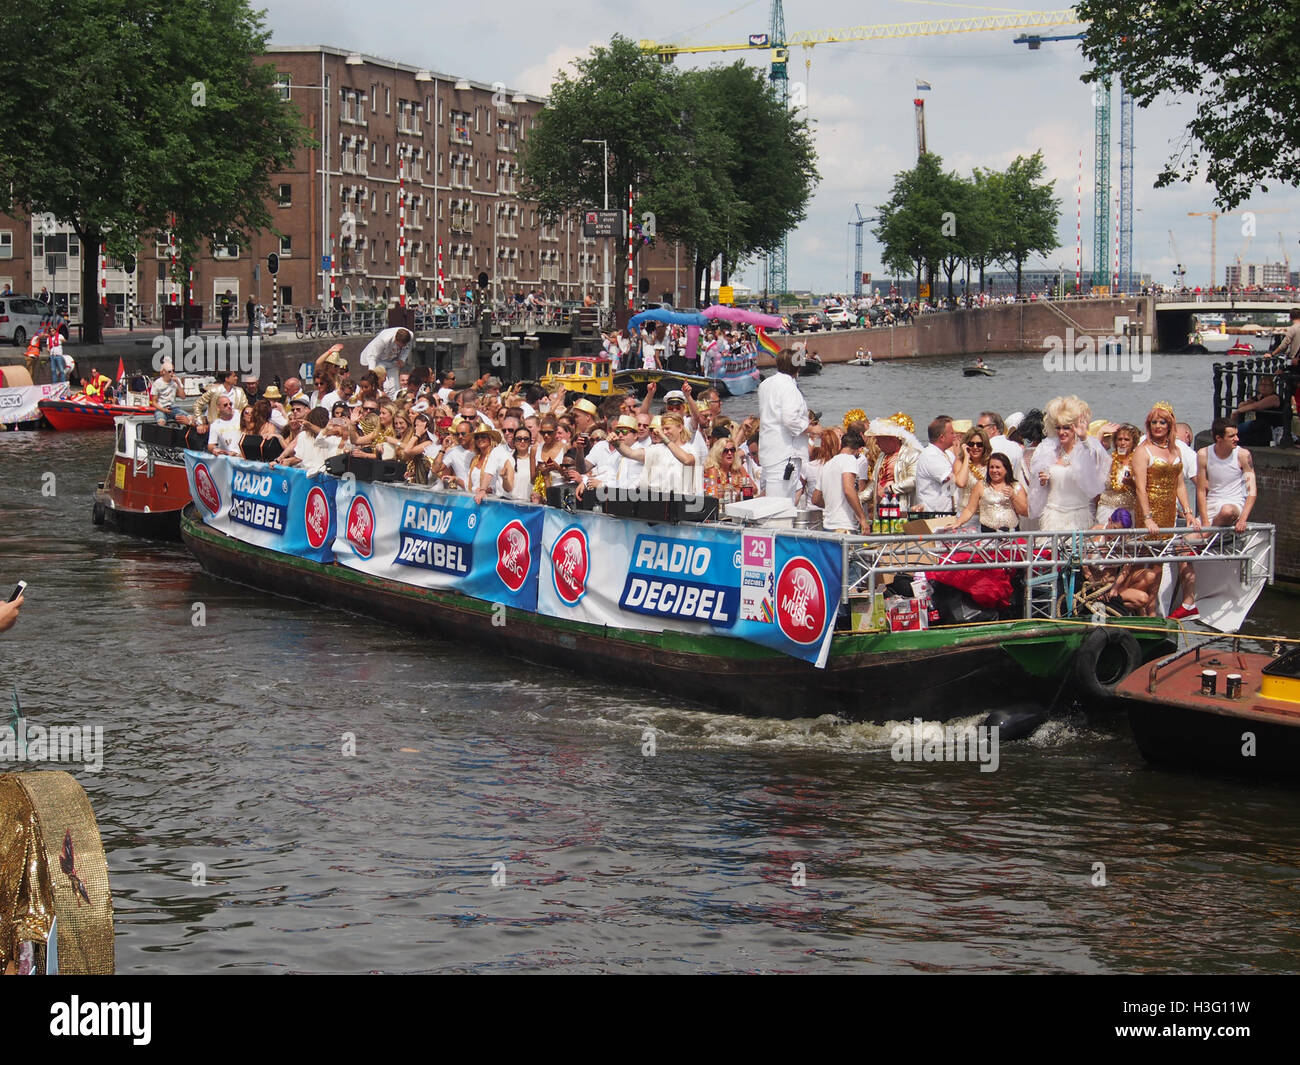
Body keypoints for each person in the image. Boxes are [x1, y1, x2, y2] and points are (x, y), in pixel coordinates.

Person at [1133, 400, 1201, 619]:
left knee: (1160, 564)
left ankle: (1153, 612)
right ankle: (1141, 609)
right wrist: (1148, 518)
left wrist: (1189, 512)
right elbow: (1140, 488)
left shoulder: (1176, 451)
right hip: (1149, 511)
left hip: (1169, 513)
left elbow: (1179, 484)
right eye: (1154, 422)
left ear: (1170, 425)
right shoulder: (1143, 451)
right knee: (1145, 560)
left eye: (1162, 422)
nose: (1158, 426)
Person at [1027, 396, 1108, 531]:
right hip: (1053, 515)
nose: (1061, 432)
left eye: (1066, 428)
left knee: (1076, 550)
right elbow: (1038, 490)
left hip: (1078, 517)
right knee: (1051, 551)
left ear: (1075, 428)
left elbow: (1095, 465)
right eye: (1058, 428)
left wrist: (1083, 438)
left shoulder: (1086, 448)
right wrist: (1043, 482)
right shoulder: (1048, 450)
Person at [756, 348, 810, 500]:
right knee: (781, 506)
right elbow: (790, 419)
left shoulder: (765, 385)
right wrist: (811, 429)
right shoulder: (789, 387)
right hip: (785, 455)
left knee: (772, 503)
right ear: (798, 367)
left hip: (769, 452)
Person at [1197, 418, 1257, 532]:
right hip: (1212, 504)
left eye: (1237, 435)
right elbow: (1200, 490)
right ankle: (1205, 539)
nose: (1237, 439)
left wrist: (1242, 519)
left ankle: (1207, 536)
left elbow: (1252, 491)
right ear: (1218, 438)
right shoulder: (1203, 454)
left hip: (1234, 504)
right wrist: (1204, 521)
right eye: (1232, 436)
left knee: (1227, 511)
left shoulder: (1243, 455)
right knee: (1182, 546)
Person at [953, 453, 1028, 532]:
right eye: (991, 467)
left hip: (1011, 534)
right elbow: (970, 509)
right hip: (988, 534)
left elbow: (1025, 512)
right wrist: (958, 522)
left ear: (1006, 469)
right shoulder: (981, 485)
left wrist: (1013, 497)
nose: (994, 470)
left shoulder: (1016, 486)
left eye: (998, 467)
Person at [813, 430, 869, 533]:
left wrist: (833, 504)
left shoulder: (827, 465)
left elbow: (816, 499)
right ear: (859, 450)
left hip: (828, 525)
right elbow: (848, 490)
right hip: (844, 525)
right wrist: (862, 518)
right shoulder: (849, 459)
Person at [1096, 422, 1140, 526]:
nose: (1122, 443)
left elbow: (1142, 489)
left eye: (1127, 440)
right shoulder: (1107, 461)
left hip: (1128, 512)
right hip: (1106, 510)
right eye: (1119, 439)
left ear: (1133, 443)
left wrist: (1131, 483)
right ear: (1115, 442)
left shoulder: (1137, 461)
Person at [913, 416, 957, 513]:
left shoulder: (948, 454)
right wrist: (960, 456)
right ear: (942, 437)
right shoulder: (930, 455)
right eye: (952, 433)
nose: (955, 436)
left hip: (949, 513)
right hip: (934, 514)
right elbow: (954, 480)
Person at [358, 327, 412, 397]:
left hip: (393, 360)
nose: (401, 347)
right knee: (384, 383)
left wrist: (402, 358)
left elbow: (408, 347)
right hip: (378, 359)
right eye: (399, 344)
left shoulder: (410, 335)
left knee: (395, 386)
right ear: (396, 339)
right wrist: (372, 373)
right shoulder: (384, 339)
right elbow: (372, 356)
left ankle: (393, 401)